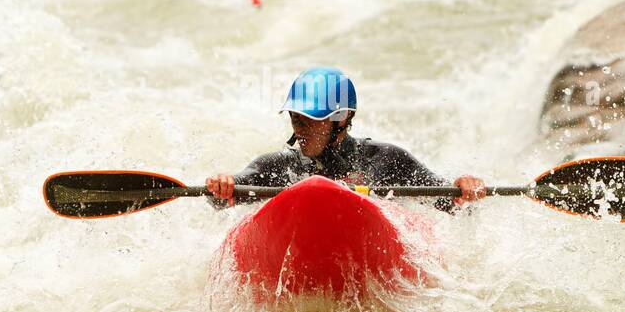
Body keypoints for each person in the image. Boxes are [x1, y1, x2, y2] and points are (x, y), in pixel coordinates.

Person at [206, 67, 484, 210]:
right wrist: (223, 185)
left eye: (311, 120)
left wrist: (462, 188)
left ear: (341, 119)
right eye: (295, 119)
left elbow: (445, 199)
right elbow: (223, 199)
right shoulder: (279, 167)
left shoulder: (386, 160)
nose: (300, 129)